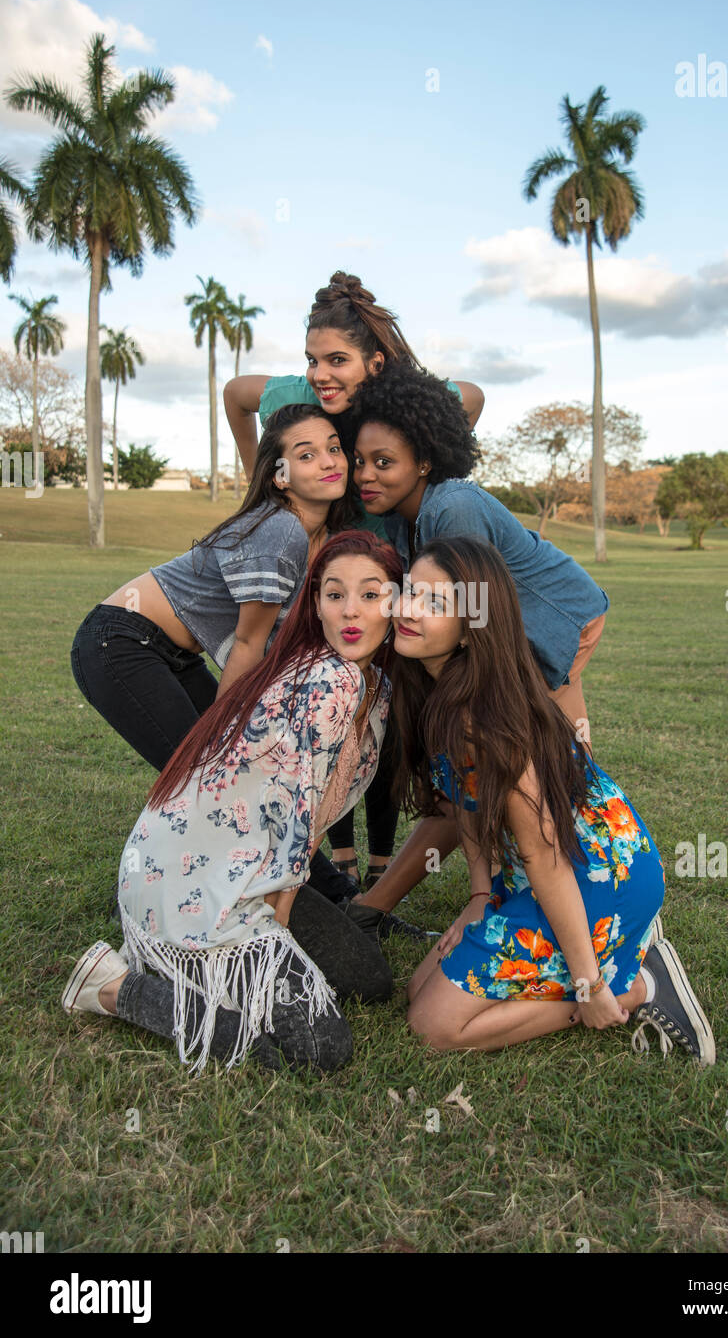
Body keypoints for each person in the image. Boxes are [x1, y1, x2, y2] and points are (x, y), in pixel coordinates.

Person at [62, 531, 406, 1075]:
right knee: (319, 1050)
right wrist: (283, 907)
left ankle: (202, 972)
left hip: (246, 866)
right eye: (334, 594)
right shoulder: (330, 677)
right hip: (193, 880)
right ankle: (113, 986)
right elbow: (297, 803)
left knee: (369, 981)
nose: (351, 612)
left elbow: (313, 809)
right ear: (314, 604)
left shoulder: (377, 689)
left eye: (371, 594)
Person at [389, 536, 715, 1066]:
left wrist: (587, 985)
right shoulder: (434, 685)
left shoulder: (484, 718)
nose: (406, 610)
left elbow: (546, 855)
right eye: (408, 591)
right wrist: (478, 897)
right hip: (540, 873)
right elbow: (465, 805)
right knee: (419, 988)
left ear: (473, 630)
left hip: (597, 876)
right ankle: (613, 967)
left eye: (434, 604)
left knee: (432, 1027)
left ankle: (635, 987)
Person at [224, 272, 484, 891]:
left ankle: (378, 866)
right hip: (324, 576)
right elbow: (237, 392)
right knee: (329, 707)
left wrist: (429, 464)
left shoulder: (398, 398)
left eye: (337, 360)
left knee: (387, 714)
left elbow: (469, 396)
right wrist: (263, 479)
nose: (321, 374)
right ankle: (337, 859)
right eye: (313, 359)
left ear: (376, 361)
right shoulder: (297, 393)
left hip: (386, 574)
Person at [345, 360, 610, 933]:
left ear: (425, 461)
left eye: (384, 462)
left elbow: (473, 615)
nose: (366, 474)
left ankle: (593, 895)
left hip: (553, 620)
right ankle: (386, 906)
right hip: (506, 630)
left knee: (527, 763)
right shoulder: (397, 515)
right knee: (522, 764)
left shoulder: (452, 508)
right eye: (361, 460)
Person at [70, 406, 353, 774]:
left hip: (175, 654)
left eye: (334, 449)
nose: (328, 462)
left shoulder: (325, 541)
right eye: (306, 455)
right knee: (204, 776)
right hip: (121, 641)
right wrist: (229, 736)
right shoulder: (280, 531)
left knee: (225, 774)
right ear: (280, 477)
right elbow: (250, 643)